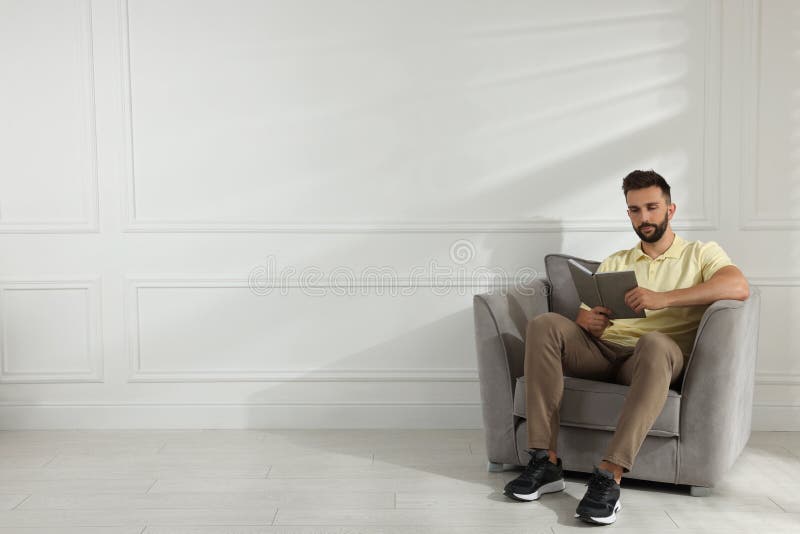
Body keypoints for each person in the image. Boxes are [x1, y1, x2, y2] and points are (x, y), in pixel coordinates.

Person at [503, 170, 749, 525]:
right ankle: (545, 461)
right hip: (605, 352)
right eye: (635, 210)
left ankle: (609, 474)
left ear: (670, 209)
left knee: (654, 342)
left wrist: (664, 299)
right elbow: (590, 321)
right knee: (544, 324)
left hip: (653, 357)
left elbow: (737, 285)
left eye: (651, 207)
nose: (644, 218)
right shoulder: (617, 261)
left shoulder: (700, 253)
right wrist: (586, 323)